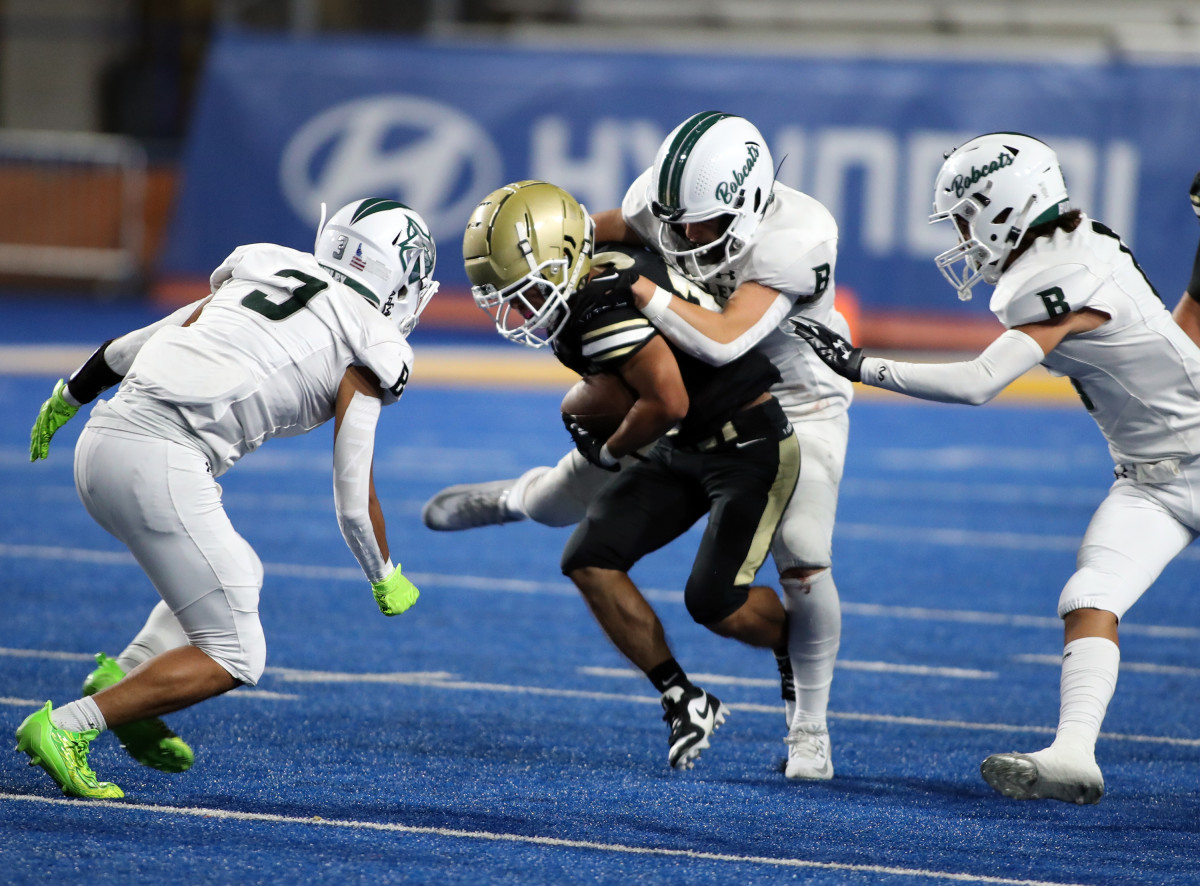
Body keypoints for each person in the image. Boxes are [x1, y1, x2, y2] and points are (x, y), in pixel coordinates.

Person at [425, 112, 850, 780]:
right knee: (575, 487)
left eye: (700, 224)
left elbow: (725, 340)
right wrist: (549, 242)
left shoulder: (796, 239)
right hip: (688, 388)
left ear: (749, 204)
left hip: (795, 396)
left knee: (802, 554)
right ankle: (515, 498)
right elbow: (607, 230)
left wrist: (638, 287)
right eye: (671, 220)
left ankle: (810, 727)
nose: (681, 236)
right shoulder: (669, 204)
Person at [793, 134, 1200, 805]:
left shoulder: (1053, 279)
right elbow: (1177, 338)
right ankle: (1073, 755)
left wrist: (860, 364)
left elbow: (981, 381)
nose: (960, 237)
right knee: (1088, 596)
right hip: (1149, 480)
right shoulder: (1085, 244)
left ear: (999, 206)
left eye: (961, 218)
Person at [18, 198, 438, 799]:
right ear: (400, 277)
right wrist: (383, 573)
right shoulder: (372, 339)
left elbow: (137, 344)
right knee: (238, 654)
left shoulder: (269, 268)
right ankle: (66, 728)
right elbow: (352, 489)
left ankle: (127, 677)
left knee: (238, 572)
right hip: (158, 462)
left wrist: (68, 396)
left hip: (102, 443)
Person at [464, 179, 800, 770]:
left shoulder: (597, 303)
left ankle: (801, 645)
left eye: (524, 289)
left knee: (714, 604)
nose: (517, 308)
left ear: (563, 257)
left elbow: (665, 399)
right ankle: (682, 696)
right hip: (687, 441)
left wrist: (614, 450)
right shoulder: (591, 268)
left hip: (746, 441)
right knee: (589, 558)